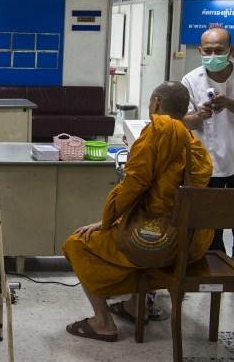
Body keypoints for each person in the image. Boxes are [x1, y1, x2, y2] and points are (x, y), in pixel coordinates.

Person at [63, 81, 213, 342]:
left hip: (158, 240)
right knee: (132, 232)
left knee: (78, 243)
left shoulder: (157, 132)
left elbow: (134, 184)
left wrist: (107, 220)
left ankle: (102, 322)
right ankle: (135, 306)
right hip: (192, 241)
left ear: (155, 103)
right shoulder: (193, 143)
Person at [182, 27, 234, 284]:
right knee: (209, 221)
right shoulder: (190, 80)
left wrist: (228, 102)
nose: (213, 55)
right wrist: (200, 115)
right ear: (199, 50)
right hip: (206, 162)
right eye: (207, 51)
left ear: (230, 50)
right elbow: (184, 120)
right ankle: (212, 265)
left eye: (219, 51)